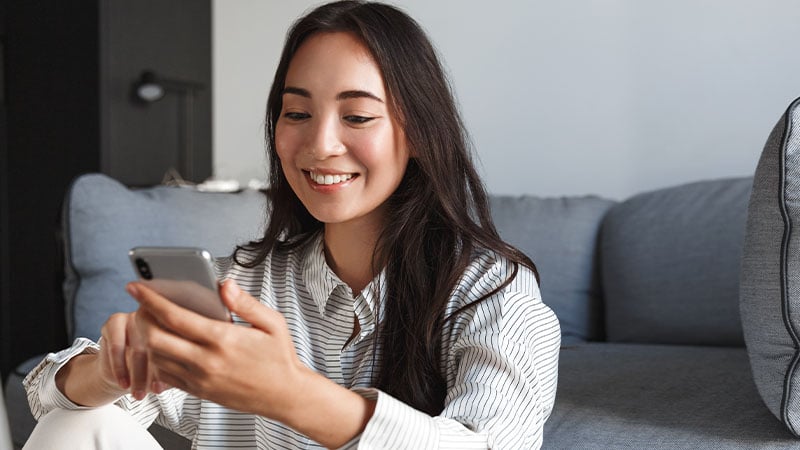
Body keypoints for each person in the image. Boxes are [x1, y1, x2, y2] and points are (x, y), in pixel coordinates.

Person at [24, 1, 561, 448]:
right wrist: (109, 373)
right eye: (297, 113)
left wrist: (291, 393)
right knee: (76, 421)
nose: (321, 145)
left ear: (417, 133)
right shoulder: (243, 287)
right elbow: (44, 395)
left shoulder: (492, 293)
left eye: (357, 116)